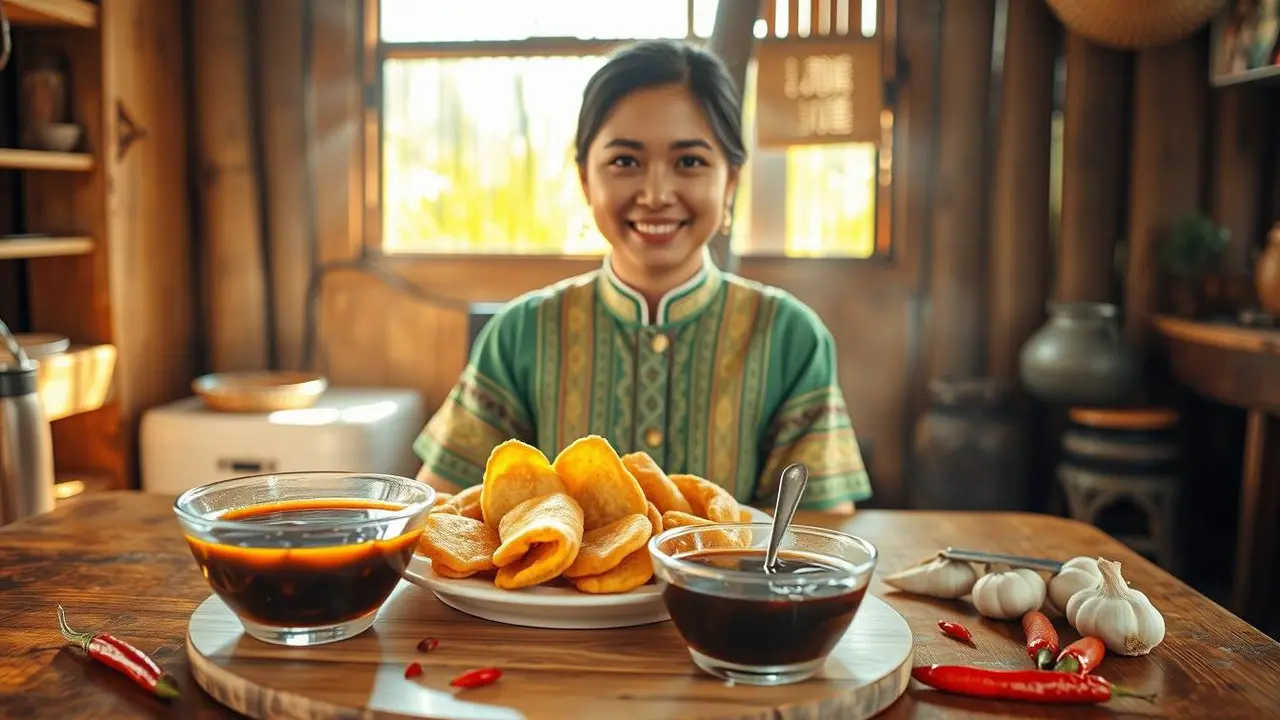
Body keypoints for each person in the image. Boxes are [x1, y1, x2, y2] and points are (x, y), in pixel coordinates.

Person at [413, 38, 872, 512]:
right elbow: (446, 514)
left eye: (689, 162)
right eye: (625, 161)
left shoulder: (790, 336)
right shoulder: (519, 333)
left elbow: (819, 526)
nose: (655, 193)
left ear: (730, 180)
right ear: (585, 180)